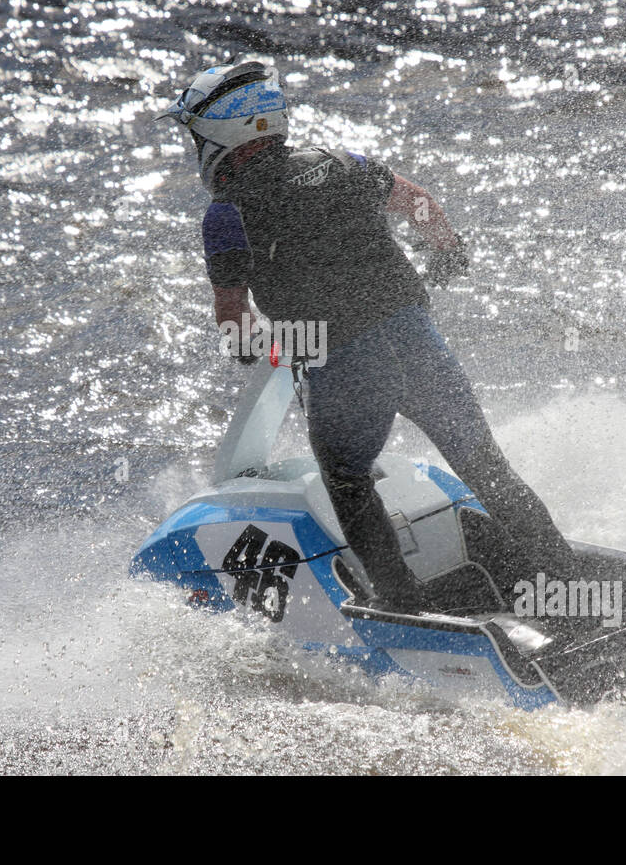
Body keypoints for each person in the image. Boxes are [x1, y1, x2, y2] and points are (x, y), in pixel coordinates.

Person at [154, 60, 574, 612]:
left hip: (348, 363)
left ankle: (401, 606)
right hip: (419, 341)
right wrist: (446, 253)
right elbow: (421, 202)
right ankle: (566, 581)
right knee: (486, 467)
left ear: (218, 133)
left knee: (348, 479)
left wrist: (246, 345)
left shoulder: (226, 213)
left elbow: (231, 311)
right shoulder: (341, 162)